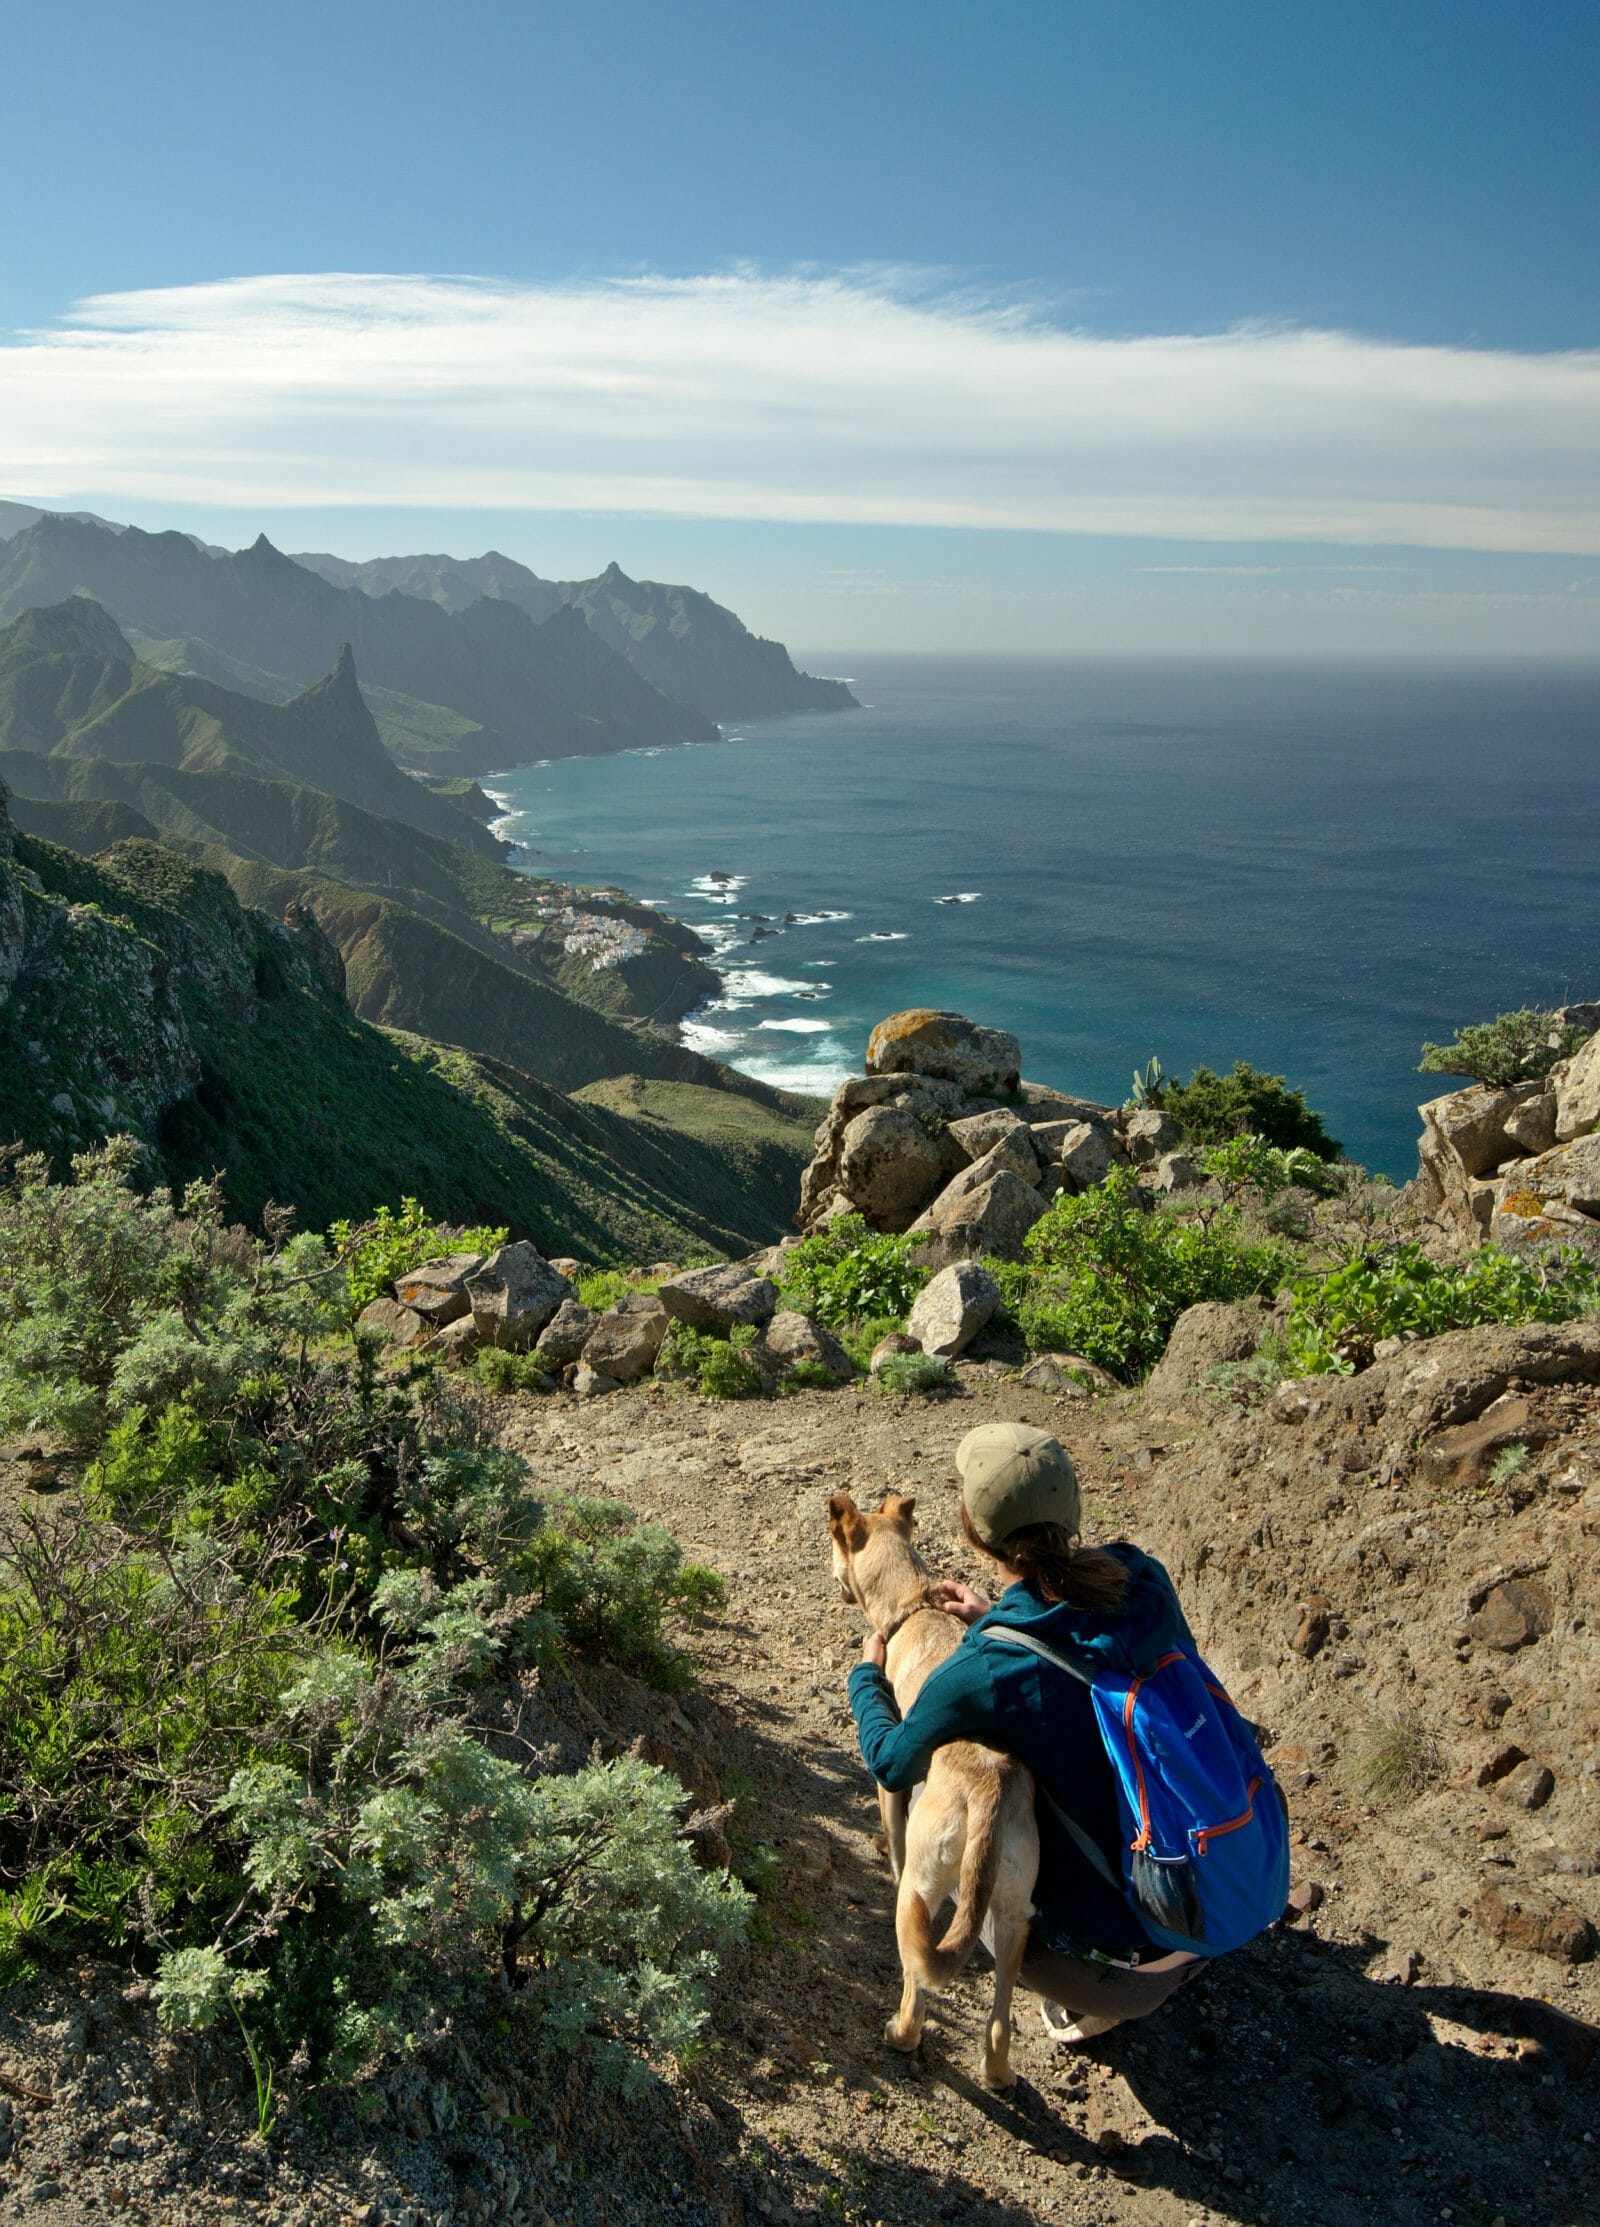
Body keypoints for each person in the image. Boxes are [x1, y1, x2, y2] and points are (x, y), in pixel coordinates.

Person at [846, 1420, 1204, 2042]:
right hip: (1201, 1915)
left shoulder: (983, 1667)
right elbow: (1079, 1637)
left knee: (961, 1833)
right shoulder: (1143, 1579)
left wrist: (865, 1679)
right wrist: (1001, 1617)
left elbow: (891, 1761)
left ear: (974, 1529)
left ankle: (1074, 1990)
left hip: (1103, 1971)